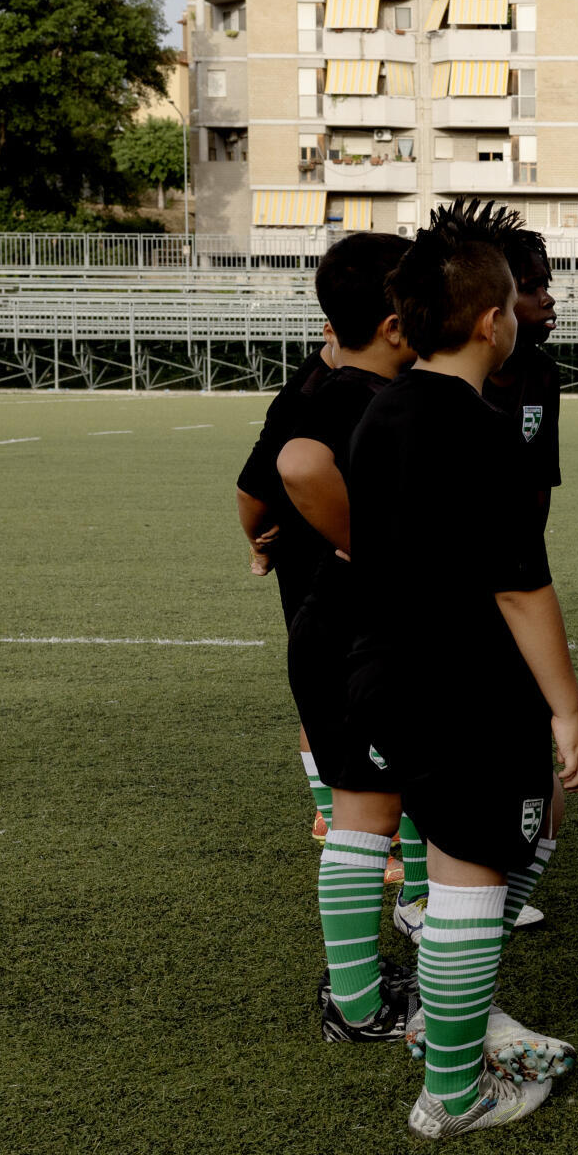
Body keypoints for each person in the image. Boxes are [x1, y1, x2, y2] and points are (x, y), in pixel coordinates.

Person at [345, 205, 578, 1139]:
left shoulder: (386, 411)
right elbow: (522, 588)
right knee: (470, 874)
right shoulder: (482, 430)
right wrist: (567, 711)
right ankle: (453, 1088)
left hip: (386, 670)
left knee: (499, 842)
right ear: (494, 320)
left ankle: (448, 1019)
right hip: (459, 680)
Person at [277, 232, 420, 1044]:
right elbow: (296, 466)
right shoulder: (364, 395)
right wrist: (367, 542)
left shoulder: (346, 386)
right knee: (366, 813)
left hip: (331, 627)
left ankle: (359, 991)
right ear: (399, 324)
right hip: (349, 633)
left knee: (373, 806)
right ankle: (358, 1006)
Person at [235, 326, 337, 841]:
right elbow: (254, 486)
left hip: (340, 560)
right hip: (319, 564)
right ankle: (338, 818)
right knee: (328, 692)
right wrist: (260, 540)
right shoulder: (314, 391)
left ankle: (348, 820)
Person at [483, 220, 562, 531]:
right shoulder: (446, 377)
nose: (547, 299)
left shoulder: (543, 373)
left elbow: (541, 478)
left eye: (546, 286)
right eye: (530, 289)